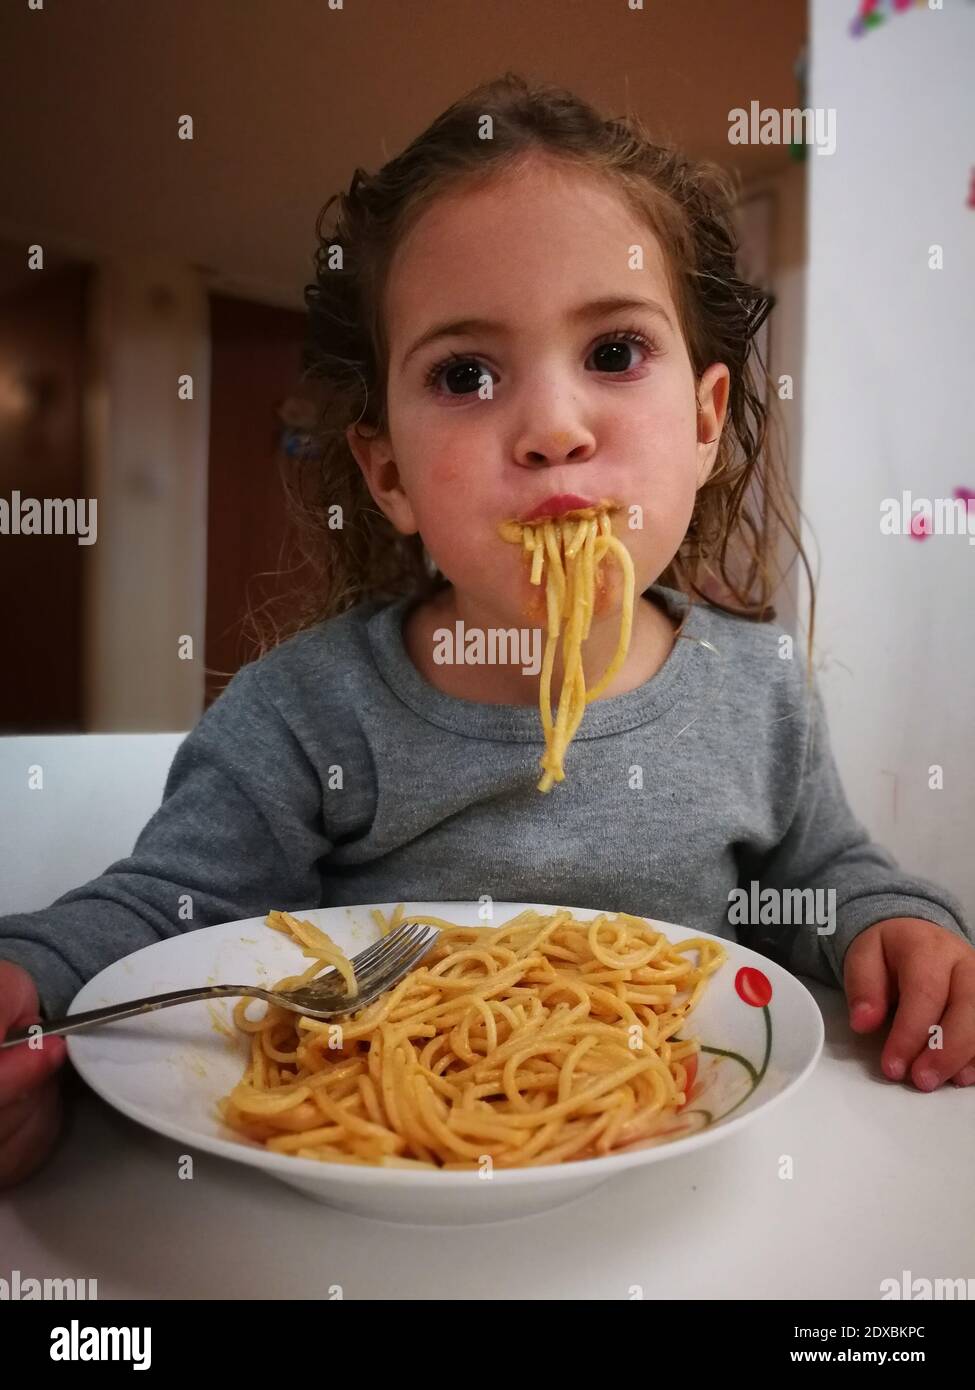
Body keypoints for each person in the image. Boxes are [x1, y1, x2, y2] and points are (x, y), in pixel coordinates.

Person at [2, 73, 973, 1189]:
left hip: (689, 1184)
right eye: (465, 375)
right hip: (361, 1204)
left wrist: (890, 927)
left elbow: (825, 875)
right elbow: (162, 911)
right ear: (387, 472)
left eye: (613, 352)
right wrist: (30, 971)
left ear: (706, 424)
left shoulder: (755, 692)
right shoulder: (307, 709)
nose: (553, 426)